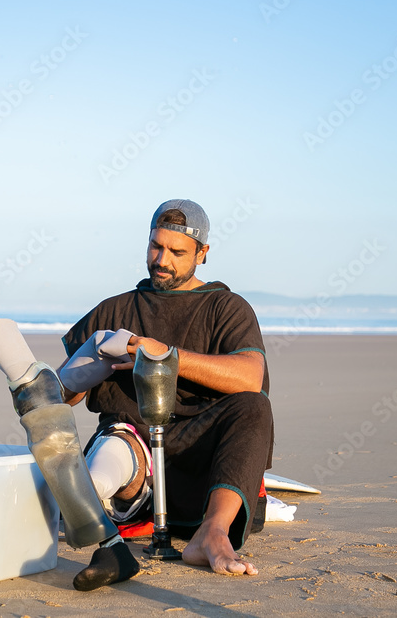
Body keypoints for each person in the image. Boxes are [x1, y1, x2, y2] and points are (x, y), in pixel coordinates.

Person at [59, 198, 274, 576]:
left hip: (203, 456)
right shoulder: (114, 309)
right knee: (112, 449)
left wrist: (166, 355)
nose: (162, 260)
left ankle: (213, 531)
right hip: (132, 451)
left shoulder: (226, 307)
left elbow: (250, 377)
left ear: (202, 253)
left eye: (177, 251)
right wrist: (86, 368)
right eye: (156, 246)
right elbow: (61, 396)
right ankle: (82, 502)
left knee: (253, 406)